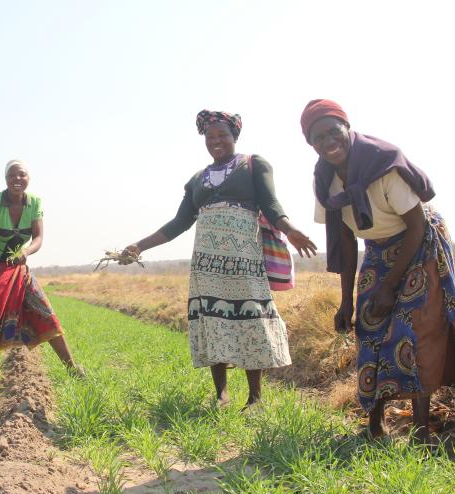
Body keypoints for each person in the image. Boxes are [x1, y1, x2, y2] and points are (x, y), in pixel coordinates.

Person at [300, 99, 455, 442]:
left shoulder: (383, 163)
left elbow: (417, 226)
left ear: (347, 128)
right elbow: (346, 240)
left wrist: (389, 286)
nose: (328, 141)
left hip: (419, 241)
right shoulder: (324, 181)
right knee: (369, 326)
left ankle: (421, 430)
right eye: (318, 137)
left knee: (415, 325)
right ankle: (375, 423)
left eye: (334, 131)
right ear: (311, 144)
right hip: (377, 247)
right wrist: (346, 301)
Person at [122, 110, 317, 410]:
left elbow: (271, 205)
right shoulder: (196, 180)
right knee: (212, 319)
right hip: (207, 264)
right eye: (210, 136)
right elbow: (179, 223)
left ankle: (255, 398)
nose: (216, 141)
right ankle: (221, 395)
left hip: (244, 260)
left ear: (234, 135)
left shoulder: (253, 165)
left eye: (222, 135)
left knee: (251, 318)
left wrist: (291, 230)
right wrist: (139, 246)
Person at [0, 160, 82, 383]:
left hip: (17, 265)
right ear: (5, 179)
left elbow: (38, 238)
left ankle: (72, 369)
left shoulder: (34, 203)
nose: (17, 179)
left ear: (28, 178)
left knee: (44, 310)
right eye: (12, 175)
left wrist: (26, 251)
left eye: (22, 175)